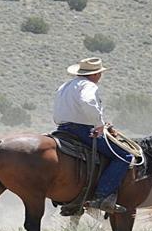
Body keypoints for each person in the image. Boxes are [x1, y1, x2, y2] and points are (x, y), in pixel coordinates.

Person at [52, 57, 138, 214]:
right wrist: (99, 125)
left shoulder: (65, 86)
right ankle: (101, 196)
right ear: (95, 74)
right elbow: (87, 102)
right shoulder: (88, 86)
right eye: (100, 73)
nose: (100, 76)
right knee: (124, 156)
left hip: (62, 129)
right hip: (82, 130)